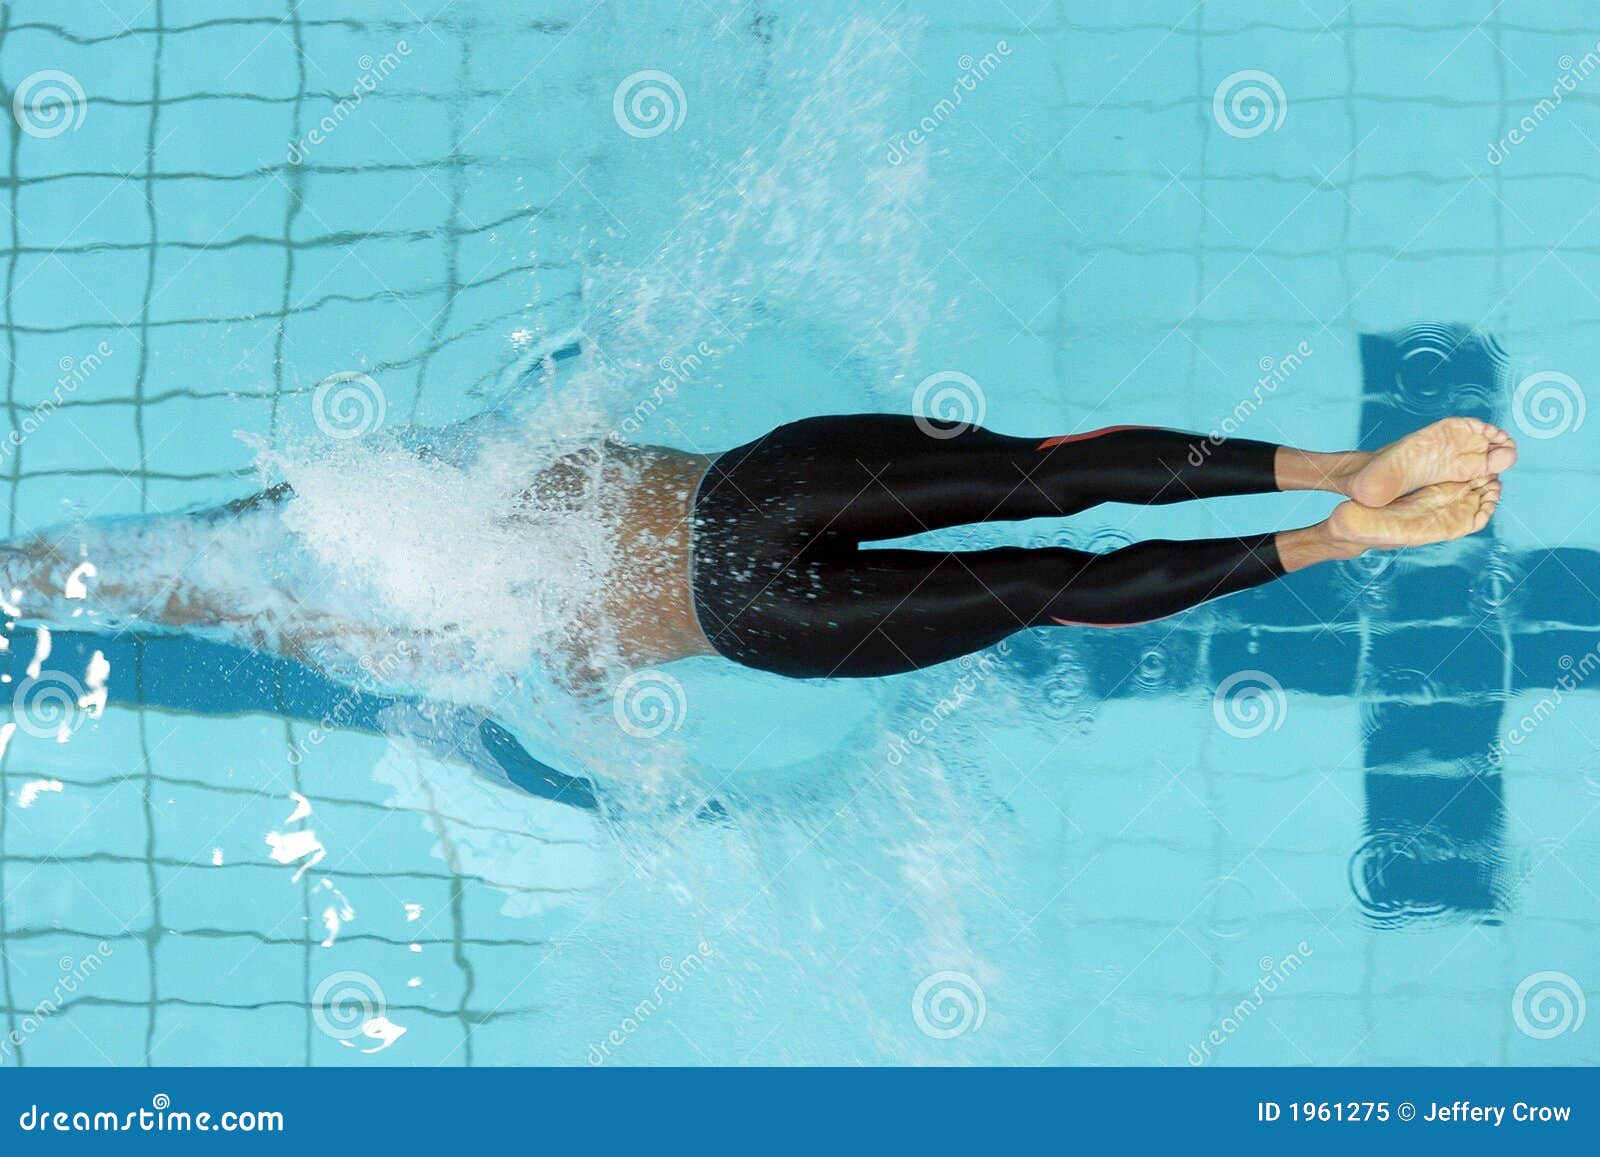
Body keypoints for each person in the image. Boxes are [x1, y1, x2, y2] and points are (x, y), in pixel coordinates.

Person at [0, 414, 1513, 686]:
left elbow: (559, 664)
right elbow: (573, 448)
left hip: (751, 624)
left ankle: (1330, 532)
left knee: (1047, 592)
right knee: (1042, 476)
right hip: (746, 492)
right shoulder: (437, 487)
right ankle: (1334, 467)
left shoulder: (418, 643)